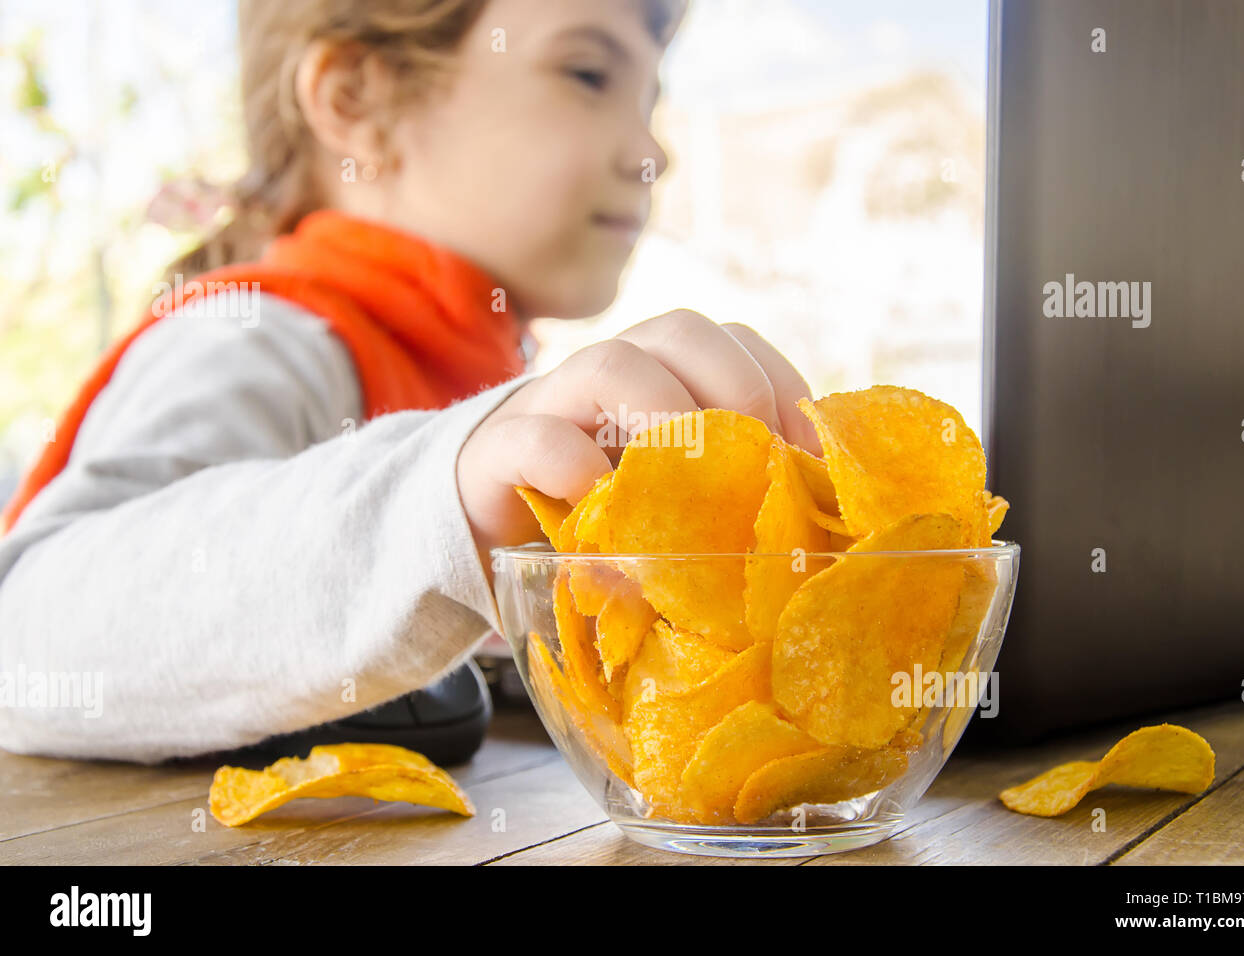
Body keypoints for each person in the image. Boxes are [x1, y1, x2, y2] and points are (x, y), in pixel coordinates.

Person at [0, 0, 821, 764]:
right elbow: (26, 633)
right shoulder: (258, 341)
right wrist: (448, 499)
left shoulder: (478, 361)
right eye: (588, 75)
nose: (652, 152)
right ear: (356, 98)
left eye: (651, 99)